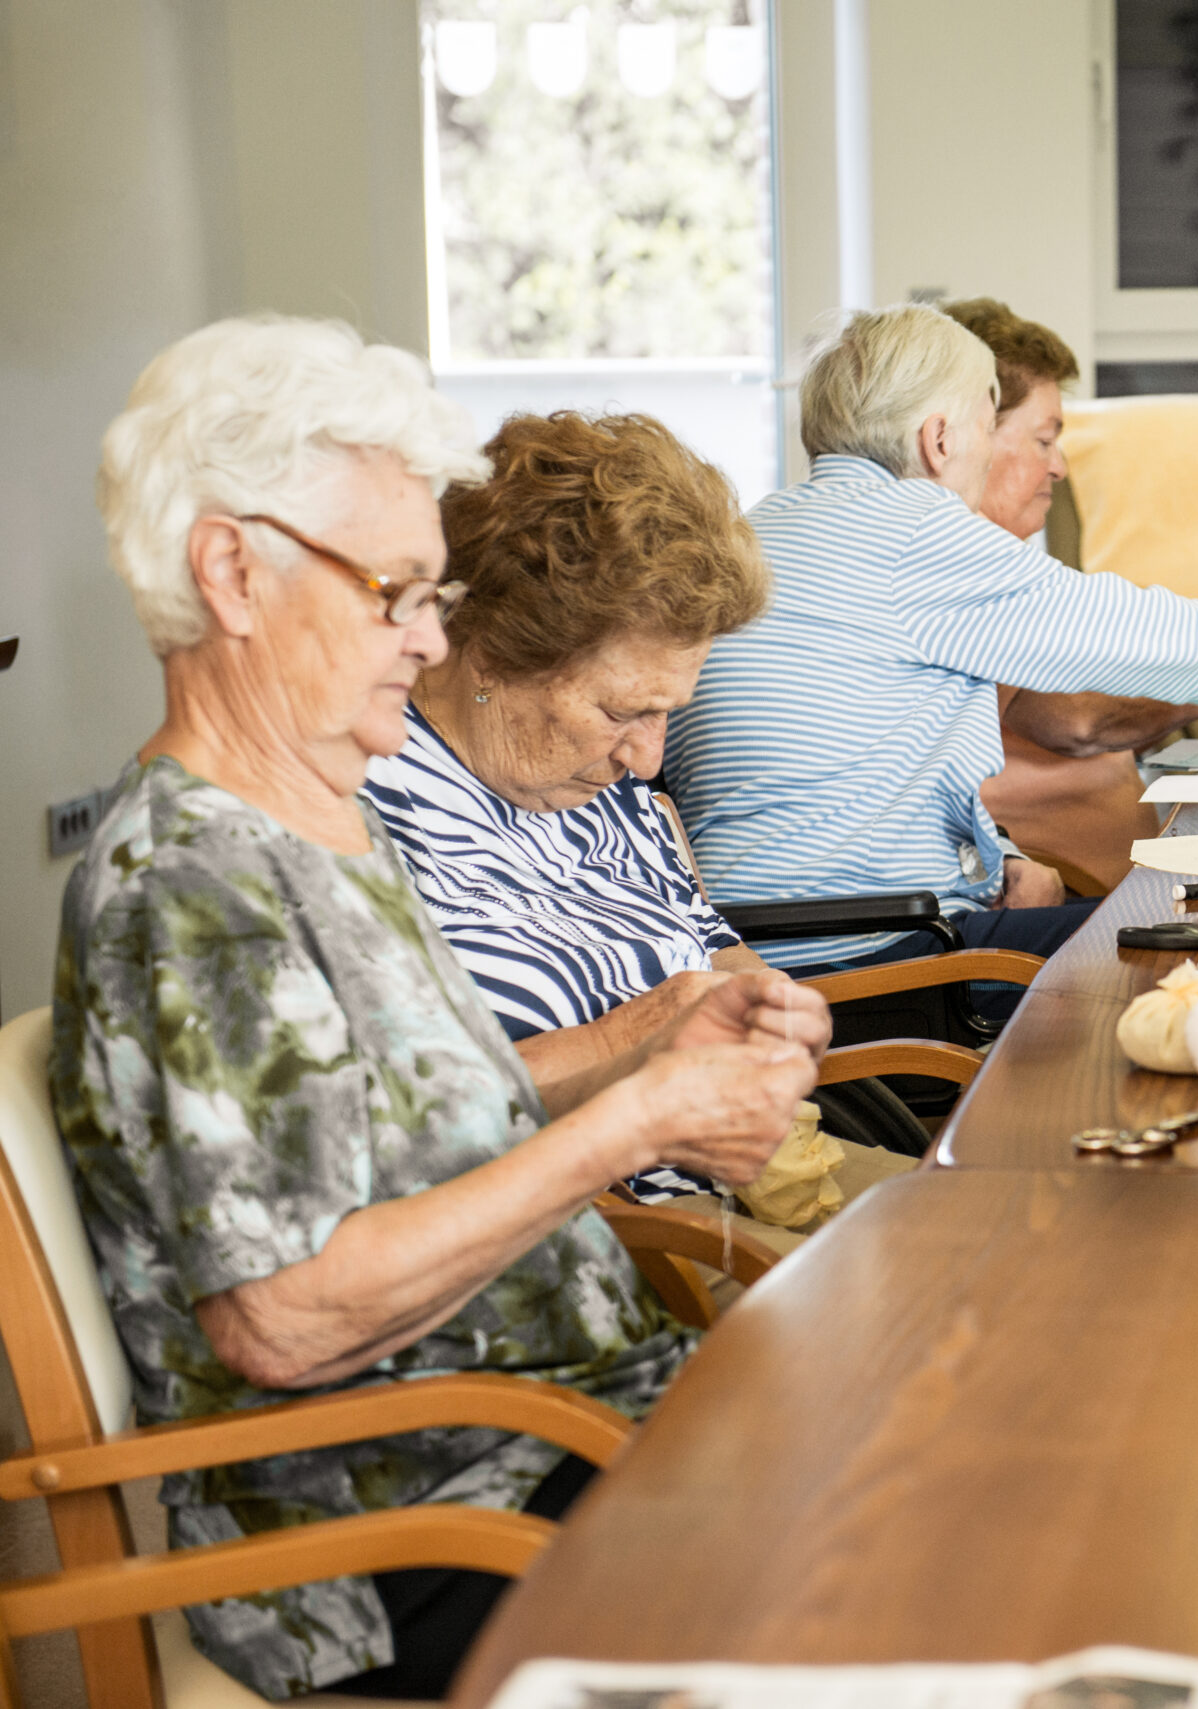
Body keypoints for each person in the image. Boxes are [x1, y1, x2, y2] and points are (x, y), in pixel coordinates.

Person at [55, 318, 823, 1701]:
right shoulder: (195, 881)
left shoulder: (324, 822)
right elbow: (287, 1316)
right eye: (396, 592)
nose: (429, 636)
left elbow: (412, 1127)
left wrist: (648, 1047)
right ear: (231, 572)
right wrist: (634, 1121)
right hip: (420, 1527)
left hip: (563, 1427)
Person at [664, 303, 1198, 986]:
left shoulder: (755, 532)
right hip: (875, 956)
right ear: (940, 439)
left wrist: (999, 856)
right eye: (987, 428)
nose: (987, 456)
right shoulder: (914, 529)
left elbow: (864, 776)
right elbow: (1122, 627)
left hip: (757, 949)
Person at [364, 409, 856, 1197]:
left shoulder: (604, 789)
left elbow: (709, 940)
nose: (648, 759)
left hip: (740, 1190)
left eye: (667, 713)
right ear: (490, 651)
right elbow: (390, 1119)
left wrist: (769, 1009)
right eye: (623, 711)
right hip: (599, 1236)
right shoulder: (362, 810)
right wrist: (642, 1034)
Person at [943, 296, 1197, 892]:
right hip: (1055, 897)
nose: (1059, 466)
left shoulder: (1007, 564)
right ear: (973, 436)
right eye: (1044, 440)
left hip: (1115, 886)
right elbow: (1079, 720)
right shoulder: (962, 572)